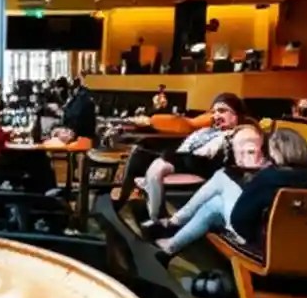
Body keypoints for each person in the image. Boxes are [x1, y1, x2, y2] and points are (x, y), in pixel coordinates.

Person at [114, 92, 249, 222]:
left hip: (200, 165)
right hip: (184, 159)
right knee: (138, 154)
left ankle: (158, 217)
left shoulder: (238, 135)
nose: (216, 115)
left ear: (236, 115)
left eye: (222, 111)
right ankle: (123, 199)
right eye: (214, 112)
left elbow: (211, 155)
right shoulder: (206, 130)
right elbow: (185, 146)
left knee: (157, 168)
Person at [149, 124, 270, 256]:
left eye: (250, 150)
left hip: (254, 234)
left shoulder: (270, 174)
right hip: (263, 231)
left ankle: (175, 221)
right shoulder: (278, 172)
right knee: (215, 203)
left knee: (222, 177)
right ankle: (172, 243)